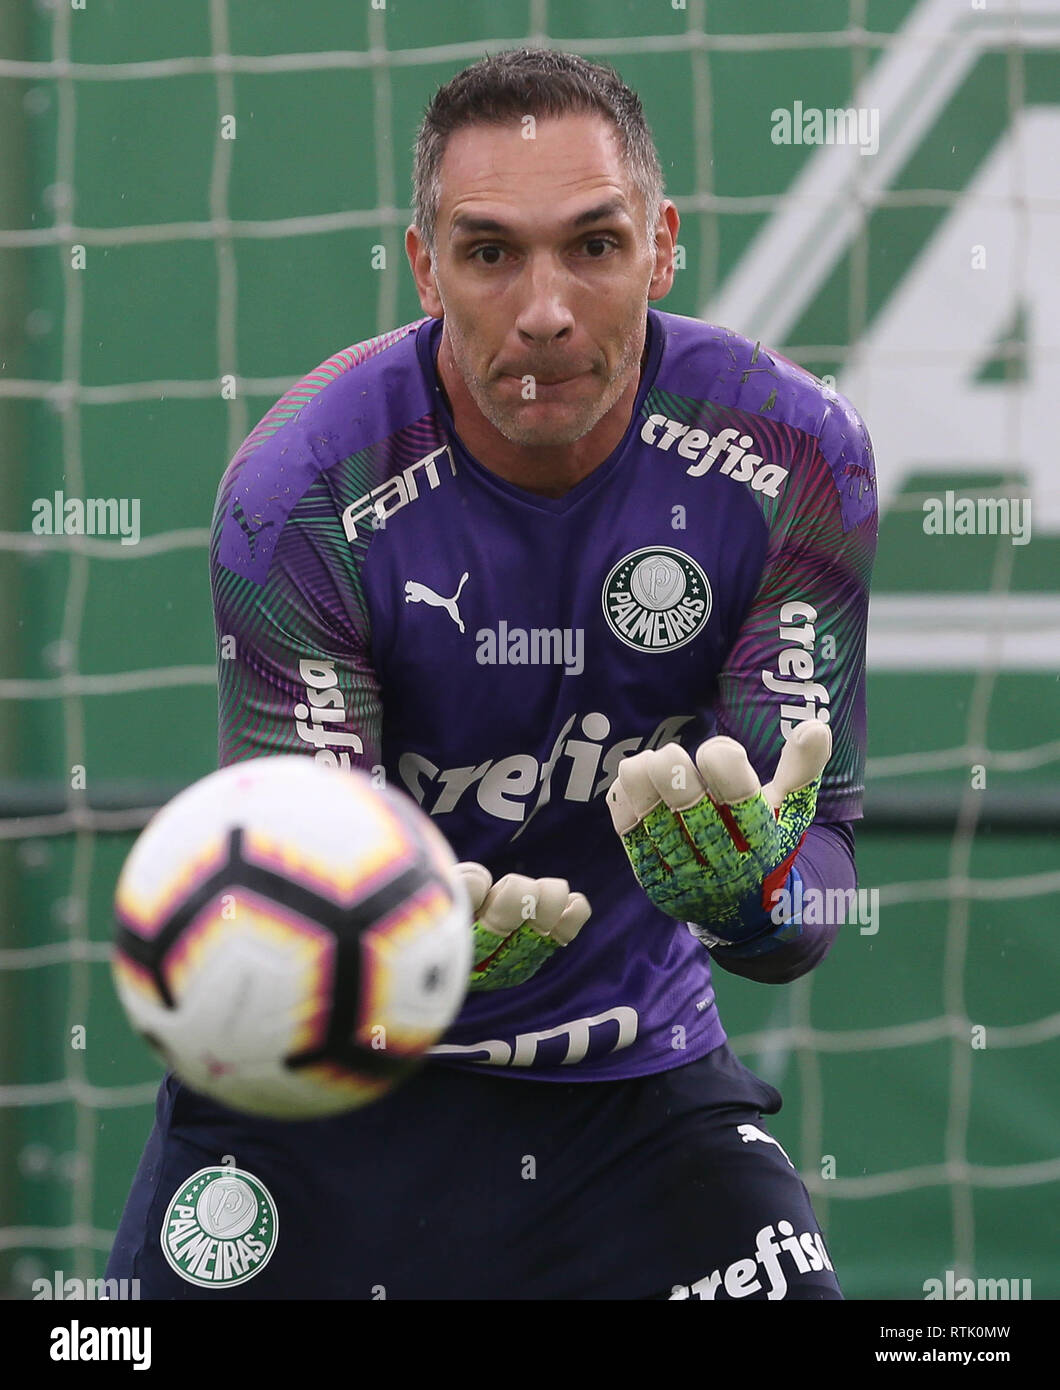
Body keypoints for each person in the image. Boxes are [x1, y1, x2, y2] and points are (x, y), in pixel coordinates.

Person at [107, 47, 877, 1300]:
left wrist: (759, 888)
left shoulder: (790, 452)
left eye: (593, 244)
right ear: (424, 267)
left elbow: (822, 886)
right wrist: (403, 943)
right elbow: (302, 902)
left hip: (632, 1089)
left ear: (662, 246)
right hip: (321, 1091)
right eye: (489, 252)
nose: (545, 309)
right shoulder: (300, 489)